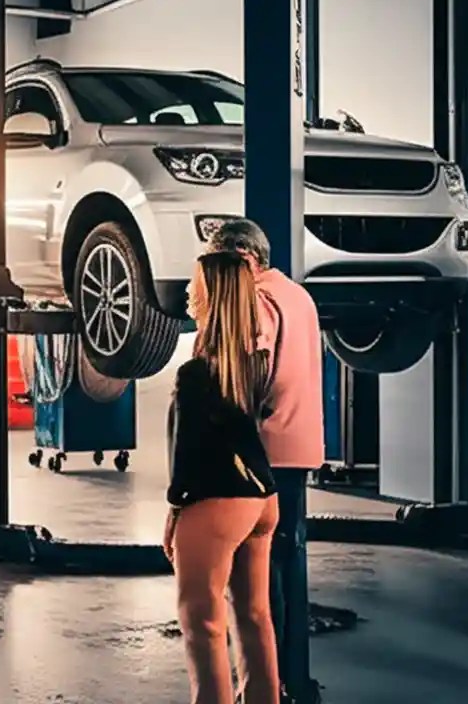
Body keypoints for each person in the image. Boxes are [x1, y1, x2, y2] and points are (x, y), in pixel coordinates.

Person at [206, 220, 324, 704]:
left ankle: (266, 686)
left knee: (257, 577)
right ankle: (297, 681)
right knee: (290, 564)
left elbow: (253, 371)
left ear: (245, 259)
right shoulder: (300, 295)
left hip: (263, 451)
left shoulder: (256, 300)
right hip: (299, 449)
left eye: (219, 266)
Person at [164, 248, 281, 704]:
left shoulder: (196, 374)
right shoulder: (251, 365)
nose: (189, 292)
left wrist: (175, 509)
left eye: (196, 284)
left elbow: (187, 453)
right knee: (255, 615)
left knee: (202, 621)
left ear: (213, 297)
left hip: (216, 503)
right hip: (263, 499)